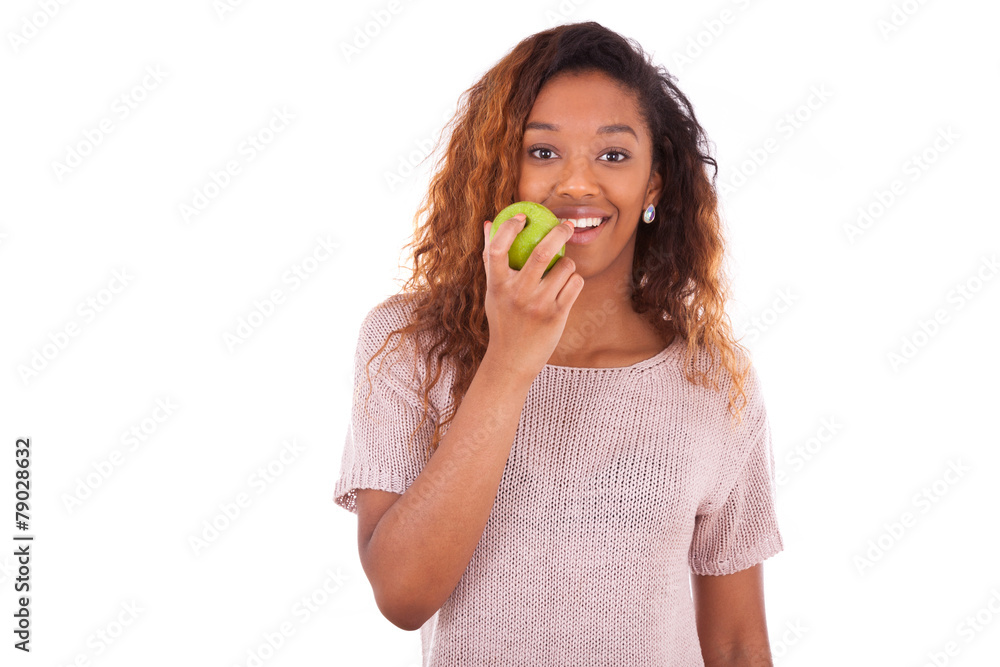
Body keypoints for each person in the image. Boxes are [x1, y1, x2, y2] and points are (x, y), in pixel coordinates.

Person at [333, 21, 784, 666]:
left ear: (654, 184)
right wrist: (511, 358)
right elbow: (402, 596)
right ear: (501, 169)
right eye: (542, 152)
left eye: (614, 155)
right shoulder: (411, 345)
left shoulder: (712, 376)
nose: (577, 184)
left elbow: (737, 644)